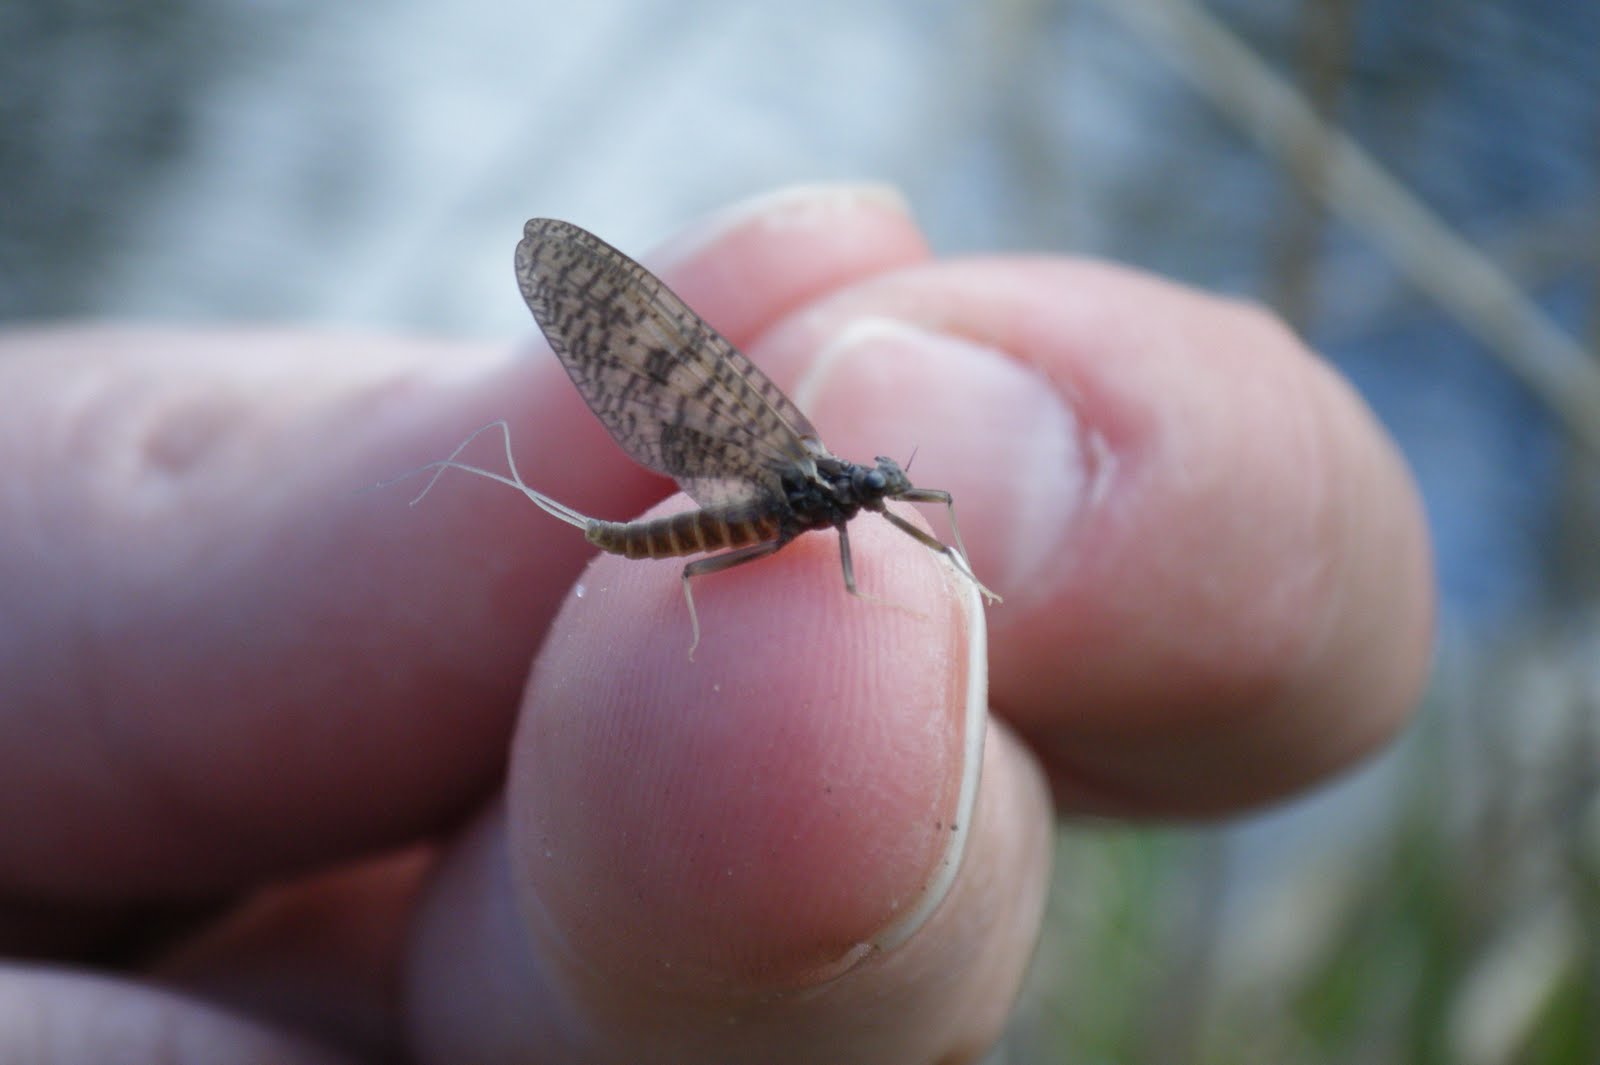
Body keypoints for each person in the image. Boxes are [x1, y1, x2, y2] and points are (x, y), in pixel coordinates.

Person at [0, 184, 1433, 1064]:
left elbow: (882, 513)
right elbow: (831, 524)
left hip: (709, 539)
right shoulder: (811, 487)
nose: (881, 493)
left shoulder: (846, 506)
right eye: (876, 487)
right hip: (691, 534)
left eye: (876, 489)